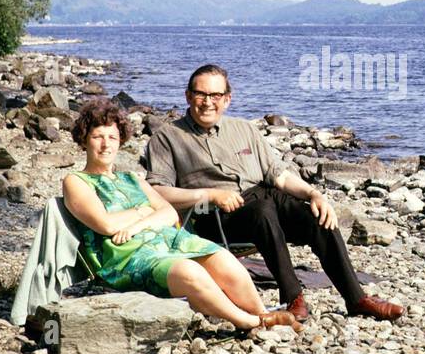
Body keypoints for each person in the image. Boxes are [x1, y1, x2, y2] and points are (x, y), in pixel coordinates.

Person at [142, 64, 403, 324]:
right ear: (188, 96)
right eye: (201, 94)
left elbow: (278, 174)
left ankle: (357, 299)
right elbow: (157, 192)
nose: (208, 102)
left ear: (227, 99)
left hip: (262, 199)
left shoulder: (243, 129)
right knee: (263, 210)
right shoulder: (167, 137)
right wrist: (209, 194)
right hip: (214, 215)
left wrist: (314, 194)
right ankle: (293, 298)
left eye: (216, 96)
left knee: (315, 214)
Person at [62, 97, 298, 333]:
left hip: (169, 242)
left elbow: (169, 213)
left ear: (120, 140)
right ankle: (247, 322)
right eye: (97, 137)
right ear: (84, 139)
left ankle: (262, 314)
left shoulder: (131, 179)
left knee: (222, 258)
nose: (106, 145)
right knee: (190, 271)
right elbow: (105, 224)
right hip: (126, 259)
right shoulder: (77, 181)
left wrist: (138, 222)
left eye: (112, 137)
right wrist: (144, 211)